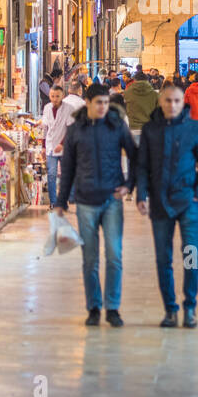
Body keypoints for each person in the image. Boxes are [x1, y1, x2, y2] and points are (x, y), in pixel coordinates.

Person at [55, 83, 138, 326]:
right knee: (90, 259)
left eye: (106, 102)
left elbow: (135, 155)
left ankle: (112, 307)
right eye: (98, 103)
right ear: (88, 103)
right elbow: (67, 167)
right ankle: (93, 307)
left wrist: (129, 185)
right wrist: (61, 201)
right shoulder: (76, 130)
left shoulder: (116, 125)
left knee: (114, 256)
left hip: (112, 200)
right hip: (86, 202)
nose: (103, 107)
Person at [136, 82, 198, 328]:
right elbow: (143, 165)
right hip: (160, 205)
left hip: (188, 203)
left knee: (191, 255)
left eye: (177, 101)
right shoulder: (151, 129)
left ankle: (190, 306)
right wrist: (142, 195)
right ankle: (170, 309)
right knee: (163, 259)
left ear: (183, 102)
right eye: (168, 101)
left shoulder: (193, 128)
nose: (172, 105)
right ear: (161, 101)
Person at [40, 85, 72, 209]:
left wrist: (62, 144)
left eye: (57, 96)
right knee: (51, 174)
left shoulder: (69, 109)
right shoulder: (47, 108)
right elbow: (45, 128)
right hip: (50, 145)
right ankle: (53, 202)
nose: (54, 99)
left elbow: (70, 129)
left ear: (62, 96)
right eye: (52, 96)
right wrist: (43, 146)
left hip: (64, 147)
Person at [124, 71, 159, 140]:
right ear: (147, 80)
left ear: (134, 80)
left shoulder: (127, 93)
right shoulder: (155, 94)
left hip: (133, 128)